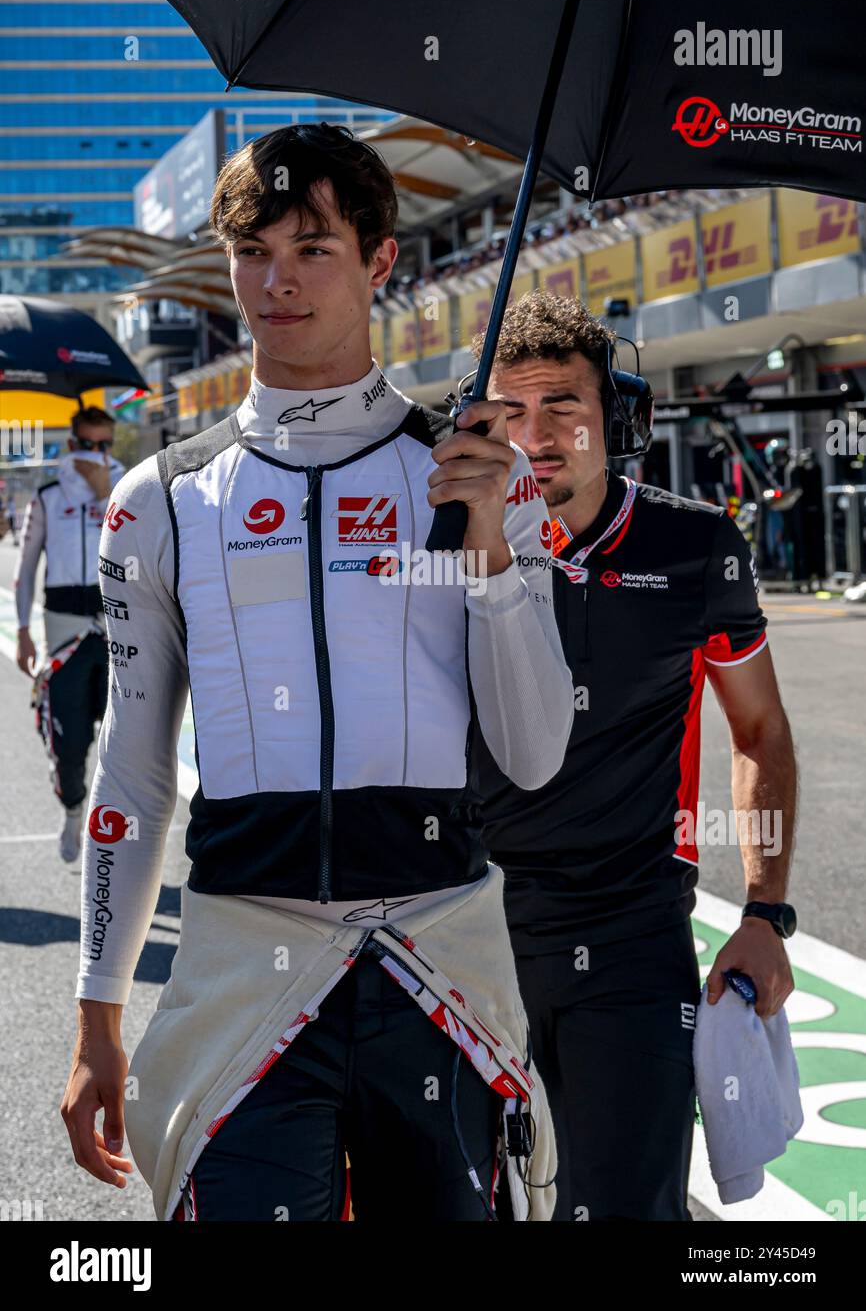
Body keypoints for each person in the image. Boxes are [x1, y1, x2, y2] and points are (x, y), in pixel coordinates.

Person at [60, 125, 573, 1222]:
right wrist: (99, 1008)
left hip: (437, 971)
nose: (276, 279)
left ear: (381, 260)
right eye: (253, 248)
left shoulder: (475, 471)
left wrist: (487, 549)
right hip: (245, 966)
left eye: (313, 247)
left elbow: (533, 756)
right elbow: (135, 780)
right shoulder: (156, 500)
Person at [471, 290, 798, 1221]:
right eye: (510, 412)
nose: (536, 436)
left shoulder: (695, 545)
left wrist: (767, 913)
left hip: (634, 937)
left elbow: (761, 732)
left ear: (615, 421)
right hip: (465, 928)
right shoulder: (442, 540)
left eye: (562, 409)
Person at [14, 407, 125, 861]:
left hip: (119, 627)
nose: (98, 455)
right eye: (89, 445)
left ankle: (120, 835)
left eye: (106, 446)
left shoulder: (130, 490)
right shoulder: (46, 496)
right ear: (73, 445)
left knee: (125, 741)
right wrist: (22, 631)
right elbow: (24, 571)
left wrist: (107, 496)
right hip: (64, 633)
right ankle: (74, 809)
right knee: (70, 739)